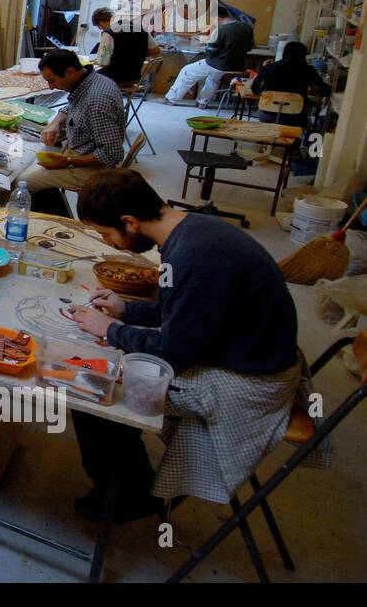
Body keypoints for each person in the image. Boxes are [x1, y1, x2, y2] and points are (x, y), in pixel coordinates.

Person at [66, 170, 324, 522]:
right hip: (247, 349)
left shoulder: (194, 257)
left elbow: (172, 352)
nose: (109, 243)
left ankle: (128, 496)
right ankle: (128, 482)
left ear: (129, 222)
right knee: (105, 368)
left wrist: (112, 330)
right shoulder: (190, 230)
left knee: (93, 385)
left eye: (108, 234)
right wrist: (128, 310)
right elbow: (183, 309)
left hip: (251, 380)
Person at [16, 49, 126, 216]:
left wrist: (68, 161)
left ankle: (38, 223)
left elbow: (111, 154)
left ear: (70, 72)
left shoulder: (97, 101)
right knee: (26, 154)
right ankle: (51, 209)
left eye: (52, 81)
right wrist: (55, 123)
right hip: (77, 149)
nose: (51, 87)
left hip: (96, 169)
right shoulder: (89, 80)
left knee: (19, 183)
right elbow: (72, 104)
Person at [164, 16, 255, 107]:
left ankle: (171, 99)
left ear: (218, 17)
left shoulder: (221, 29)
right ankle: (202, 102)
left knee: (187, 71)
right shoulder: (247, 28)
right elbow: (249, 47)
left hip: (219, 64)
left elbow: (211, 52)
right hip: (237, 65)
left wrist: (207, 46)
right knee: (213, 78)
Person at [252, 40, 330, 129]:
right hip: (295, 118)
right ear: (303, 56)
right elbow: (325, 91)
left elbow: (255, 89)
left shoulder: (269, 67)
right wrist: (313, 89)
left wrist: (263, 70)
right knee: (308, 122)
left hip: (268, 114)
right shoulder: (308, 70)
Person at [92, 6, 159, 85]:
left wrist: (98, 61)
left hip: (114, 78)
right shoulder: (141, 28)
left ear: (101, 22)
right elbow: (156, 50)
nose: (101, 29)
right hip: (134, 77)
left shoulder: (108, 33)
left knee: (86, 76)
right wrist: (137, 54)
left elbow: (103, 64)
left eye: (99, 27)